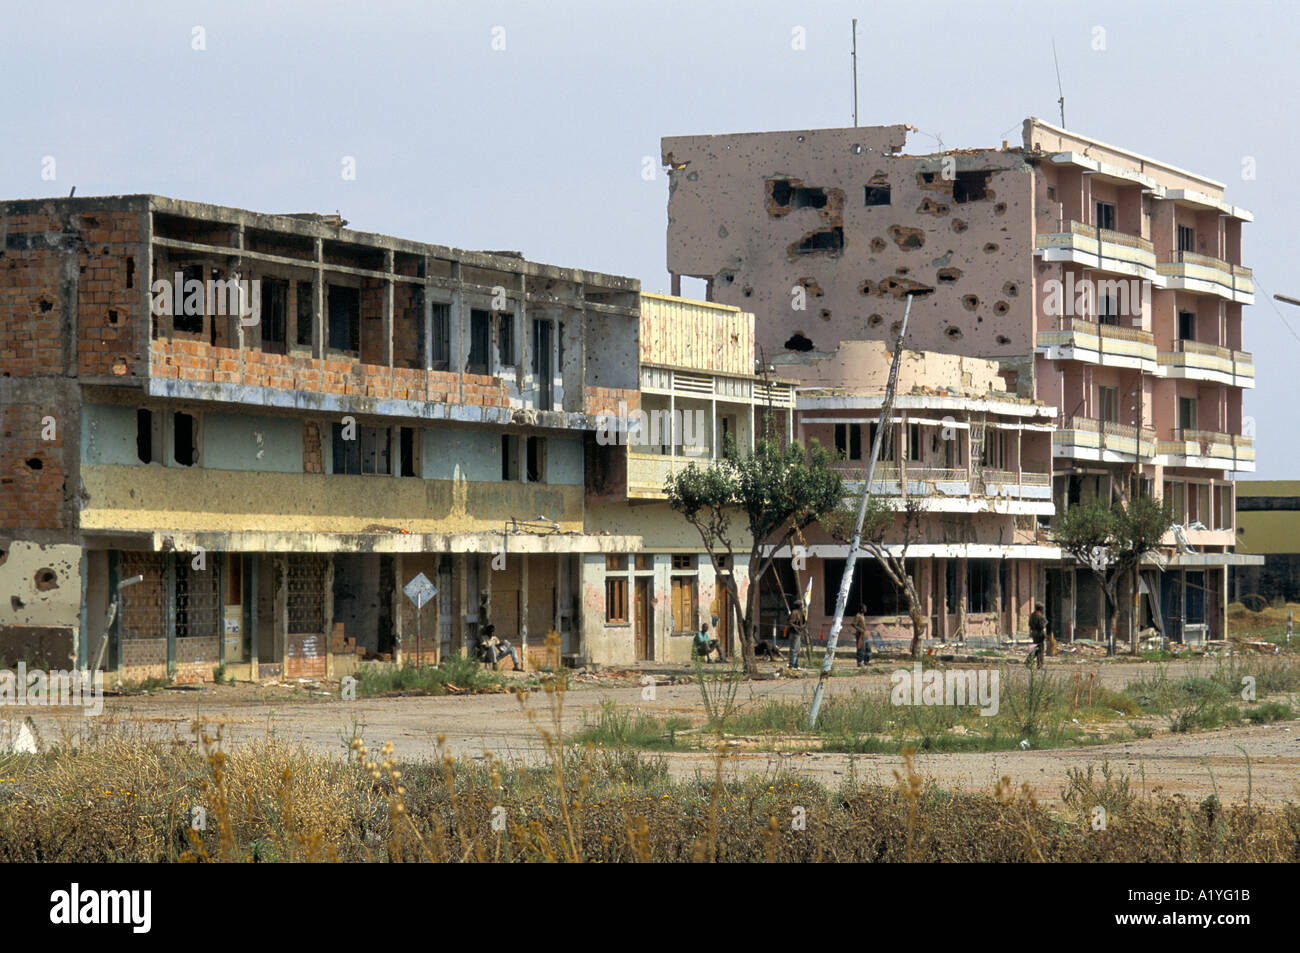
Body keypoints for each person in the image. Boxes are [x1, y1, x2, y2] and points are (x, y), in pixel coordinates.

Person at [1026, 603, 1047, 669]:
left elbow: (1029, 624)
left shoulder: (1032, 615)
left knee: (1035, 648)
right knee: (1040, 649)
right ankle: (1039, 664)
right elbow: (1042, 626)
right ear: (1041, 608)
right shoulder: (1040, 616)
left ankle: (1028, 660)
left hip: (1034, 633)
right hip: (1039, 633)